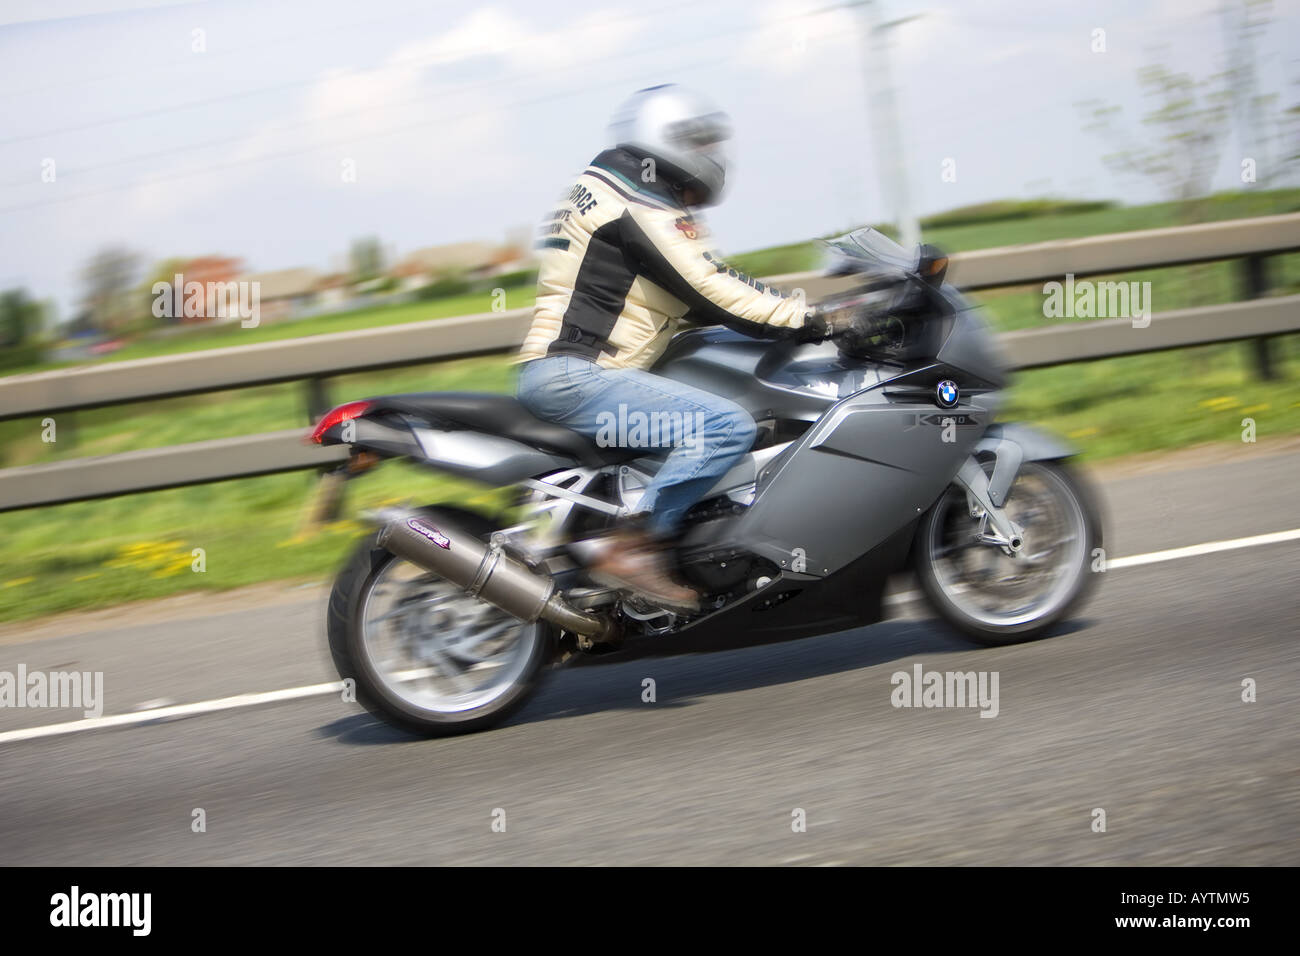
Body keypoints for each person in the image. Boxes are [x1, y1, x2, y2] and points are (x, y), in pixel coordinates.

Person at [515, 84, 842, 611]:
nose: (713, 157)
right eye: (702, 143)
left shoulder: (607, 186)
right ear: (669, 138)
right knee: (723, 426)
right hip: (578, 376)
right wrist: (813, 319)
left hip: (566, 373)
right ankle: (636, 546)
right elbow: (711, 283)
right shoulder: (638, 200)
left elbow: (690, 295)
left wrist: (780, 314)